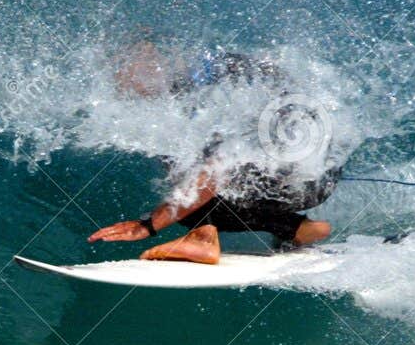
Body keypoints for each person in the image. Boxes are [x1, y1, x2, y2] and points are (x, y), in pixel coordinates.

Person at [88, 40, 336, 264]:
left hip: (300, 172)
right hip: (317, 175)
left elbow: (218, 167)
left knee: (188, 195)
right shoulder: (196, 76)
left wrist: (148, 226)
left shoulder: (204, 85)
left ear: (155, 61)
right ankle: (297, 229)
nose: (118, 79)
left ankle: (203, 238)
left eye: (123, 68)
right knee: (186, 184)